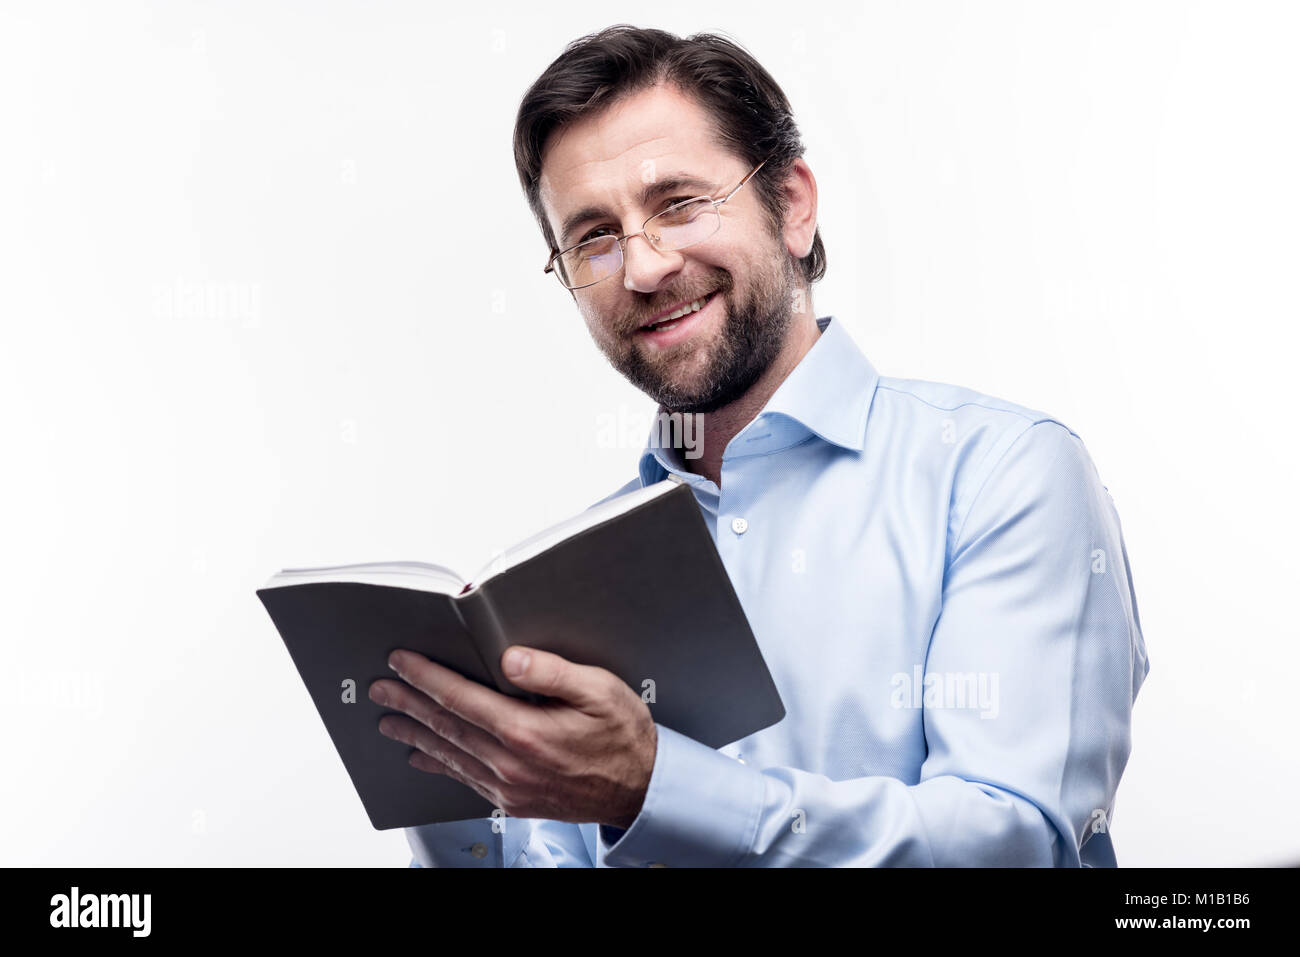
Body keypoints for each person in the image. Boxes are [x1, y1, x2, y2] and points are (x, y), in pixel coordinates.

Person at [373, 24, 1150, 867]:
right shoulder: (571, 574)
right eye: (593, 236)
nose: (642, 267)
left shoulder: (1005, 476)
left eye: (678, 203)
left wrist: (651, 785)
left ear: (792, 203)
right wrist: (450, 776)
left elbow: (1013, 843)